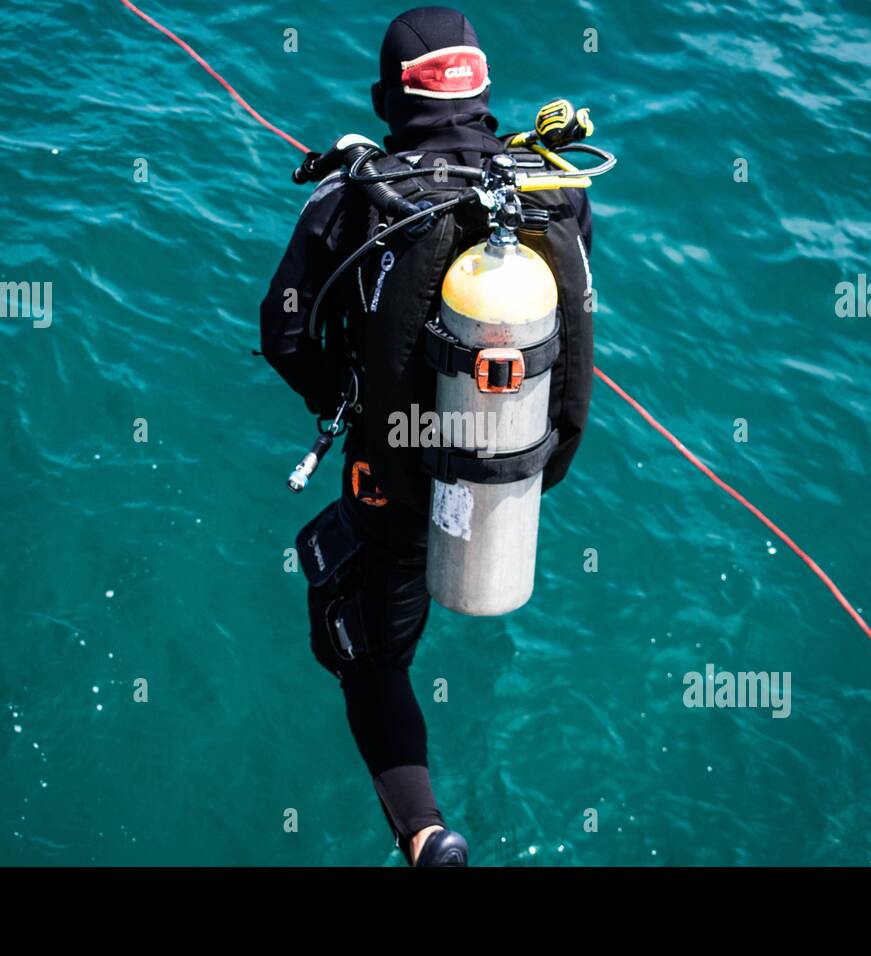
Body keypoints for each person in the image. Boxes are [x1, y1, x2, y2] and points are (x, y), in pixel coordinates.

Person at [259, 6, 593, 866]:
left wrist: (343, 397)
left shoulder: (351, 197)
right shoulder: (553, 187)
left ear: (386, 95)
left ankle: (426, 835)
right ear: (481, 87)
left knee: (368, 655)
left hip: (393, 480)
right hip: (514, 470)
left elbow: (284, 331)